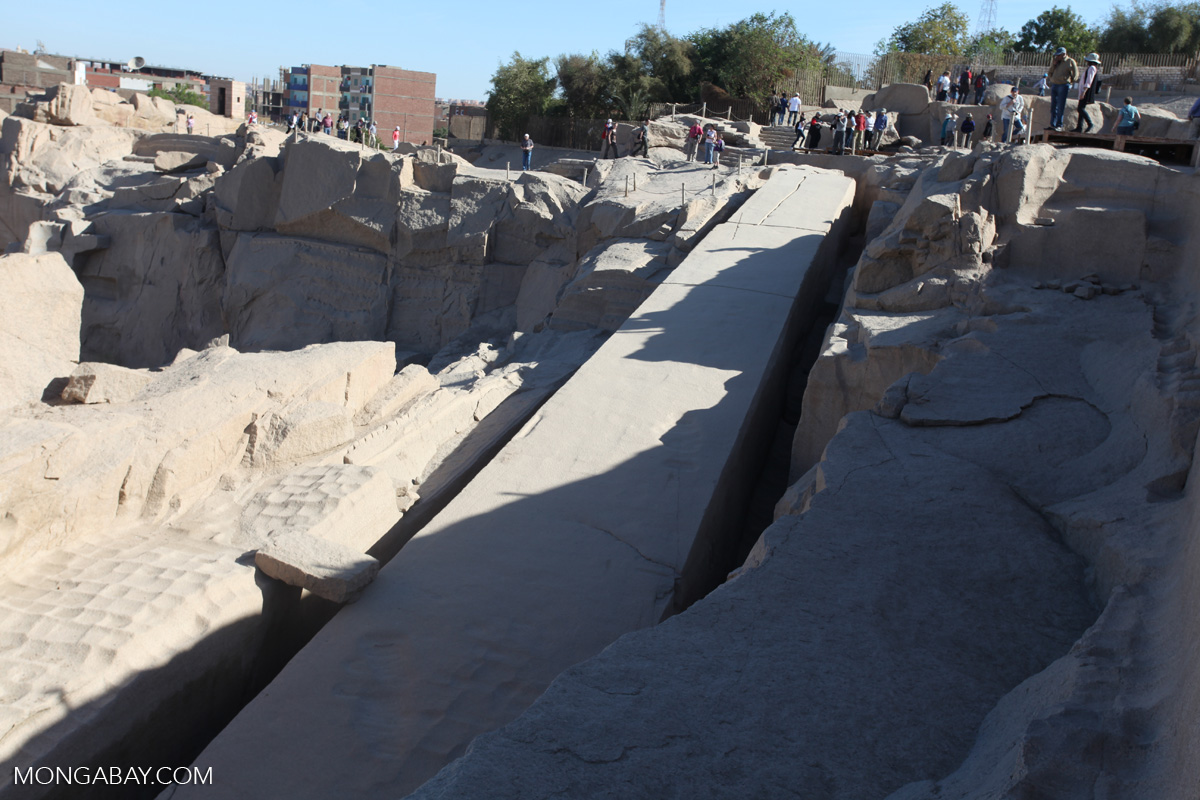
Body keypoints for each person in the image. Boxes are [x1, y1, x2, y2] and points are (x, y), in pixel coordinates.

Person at [1047, 47, 1079, 131]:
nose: (1057, 57)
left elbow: (1075, 74)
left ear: (1063, 54)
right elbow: (1049, 72)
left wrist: (1069, 82)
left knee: (1060, 105)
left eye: (1058, 55)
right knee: (1053, 106)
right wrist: (1054, 65)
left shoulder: (1070, 61)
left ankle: (1059, 125)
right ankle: (1052, 124)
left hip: (1063, 85)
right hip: (1055, 84)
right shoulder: (1056, 62)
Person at [1073, 53, 1101, 133]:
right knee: (1081, 108)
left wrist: (1084, 92)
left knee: (1080, 108)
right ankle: (1079, 127)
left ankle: (1090, 123)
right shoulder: (1090, 68)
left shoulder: (1092, 68)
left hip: (1086, 91)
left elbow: (1089, 81)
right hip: (1084, 91)